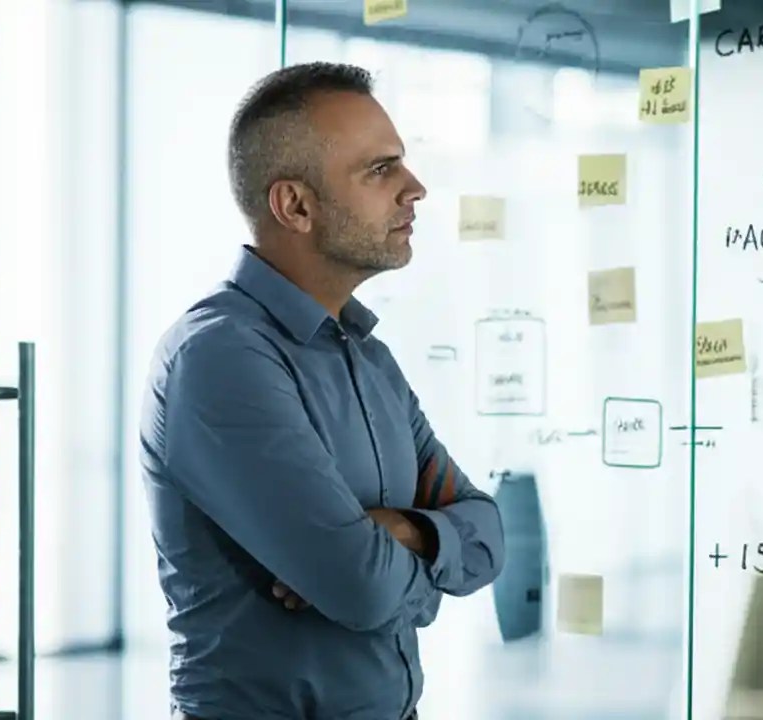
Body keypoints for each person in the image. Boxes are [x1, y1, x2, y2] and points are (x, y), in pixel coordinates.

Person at [138, 62, 504, 720]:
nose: (415, 189)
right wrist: (416, 564)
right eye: (380, 170)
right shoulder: (221, 359)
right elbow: (360, 588)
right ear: (295, 206)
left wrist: (404, 532)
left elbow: (488, 536)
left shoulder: (371, 361)